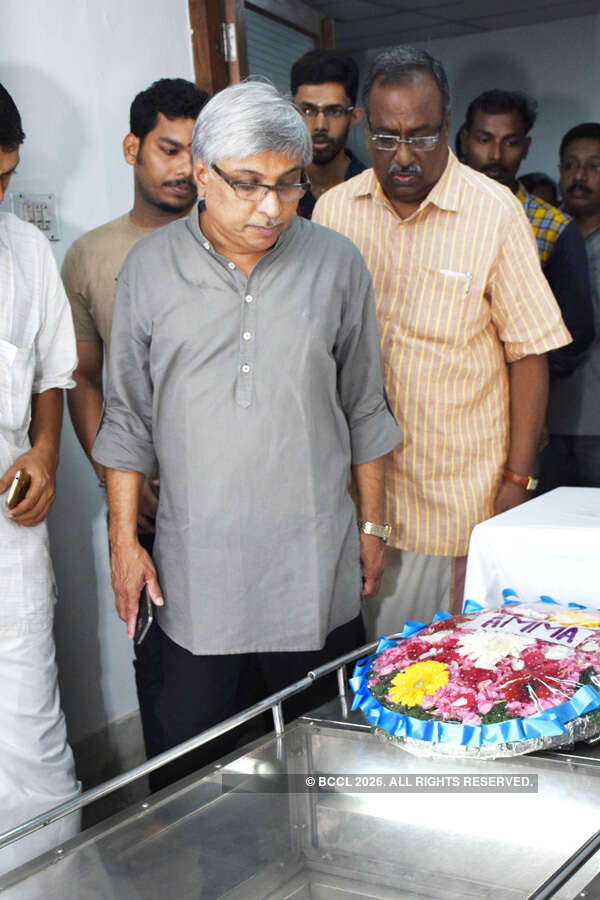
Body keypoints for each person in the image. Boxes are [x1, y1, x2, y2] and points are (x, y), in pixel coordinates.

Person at [92, 81, 401, 789]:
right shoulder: (147, 269)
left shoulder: (335, 263)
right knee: (199, 777)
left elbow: (364, 405)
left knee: (322, 766)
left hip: (313, 564)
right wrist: (123, 544)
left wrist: (374, 524)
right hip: (195, 574)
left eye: (290, 185)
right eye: (249, 184)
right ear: (202, 173)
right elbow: (128, 418)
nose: (271, 208)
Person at [313, 48, 570, 633]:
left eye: (422, 137)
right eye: (385, 138)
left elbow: (529, 353)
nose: (403, 157)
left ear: (446, 123)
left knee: (455, 677)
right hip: (362, 503)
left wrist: (517, 483)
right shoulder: (333, 213)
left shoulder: (494, 211)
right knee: (379, 674)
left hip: (464, 504)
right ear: (362, 125)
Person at [61, 78, 209, 764]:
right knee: (165, 679)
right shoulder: (91, 256)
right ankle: (176, 816)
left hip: (228, 497)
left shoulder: (229, 241)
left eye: (195, 150)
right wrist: (116, 476)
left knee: (247, 675)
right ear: (132, 148)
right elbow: (84, 381)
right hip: (144, 509)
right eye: (167, 148)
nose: (183, 167)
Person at [0, 83, 80, 873]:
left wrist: (47, 453)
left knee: (31, 726)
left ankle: (54, 882)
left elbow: (52, 373)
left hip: (9, 532)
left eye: (3, 178)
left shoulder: (23, 251)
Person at [460, 90, 593, 381]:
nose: (495, 154)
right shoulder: (435, 213)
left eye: (510, 142)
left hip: (518, 400)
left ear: (526, 147)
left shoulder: (555, 227)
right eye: (484, 140)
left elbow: (575, 332)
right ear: (465, 140)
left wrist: (523, 384)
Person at [541, 123, 600, 490]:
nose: (580, 176)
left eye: (595, 166)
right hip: (542, 422)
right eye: (571, 165)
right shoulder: (543, 233)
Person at [291, 49, 365, 218]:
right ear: (292, 113)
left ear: (354, 117)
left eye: (334, 111)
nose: (320, 125)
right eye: (308, 110)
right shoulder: (277, 190)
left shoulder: (375, 191)